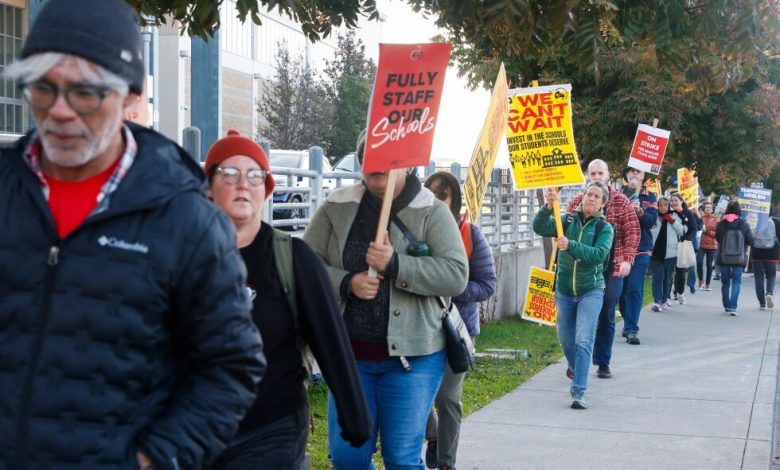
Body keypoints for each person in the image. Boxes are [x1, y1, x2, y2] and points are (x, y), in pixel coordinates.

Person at [0, 1, 266, 468]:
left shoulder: (186, 221)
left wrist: (152, 459)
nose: (59, 111)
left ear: (130, 97)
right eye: (44, 89)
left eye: (85, 92)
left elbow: (229, 368)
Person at [204, 131, 371, 469]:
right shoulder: (182, 257)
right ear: (208, 187)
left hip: (271, 428)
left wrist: (354, 413)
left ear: (266, 189)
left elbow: (330, 338)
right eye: (229, 174)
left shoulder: (292, 257)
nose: (242, 184)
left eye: (254, 176)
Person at [303, 132, 469, 469]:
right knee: (348, 457)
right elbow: (304, 264)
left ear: (406, 162)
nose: (375, 162)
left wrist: (395, 265)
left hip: (414, 360)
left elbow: (455, 274)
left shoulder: (431, 211)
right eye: (368, 153)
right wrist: (347, 282)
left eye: (386, 154)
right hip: (348, 357)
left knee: (401, 458)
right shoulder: (337, 206)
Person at [423, 171, 497, 470]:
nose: (436, 197)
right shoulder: (414, 229)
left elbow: (487, 284)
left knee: (448, 399)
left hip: (457, 330)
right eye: (430, 191)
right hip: (420, 327)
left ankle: (446, 464)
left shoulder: (470, 234)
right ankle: (434, 435)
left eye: (443, 193)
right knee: (418, 396)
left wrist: (454, 288)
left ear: (453, 198)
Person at [534, 181, 614, 409]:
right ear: (582, 196)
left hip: (591, 290)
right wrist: (548, 207)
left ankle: (578, 391)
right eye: (589, 194)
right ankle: (575, 368)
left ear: (603, 203)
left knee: (583, 340)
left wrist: (571, 246)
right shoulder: (566, 220)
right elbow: (539, 227)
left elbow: (598, 255)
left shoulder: (604, 228)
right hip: (565, 291)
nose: (591, 199)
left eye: (596, 196)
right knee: (566, 339)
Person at [566, 159, 639, 379]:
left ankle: (603, 361)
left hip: (612, 267)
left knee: (607, 312)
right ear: (588, 176)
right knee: (575, 317)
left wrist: (627, 259)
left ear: (608, 175)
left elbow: (633, 232)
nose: (597, 177)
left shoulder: (622, 202)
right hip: (582, 268)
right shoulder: (577, 202)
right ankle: (575, 360)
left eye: (600, 173)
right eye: (592, 173)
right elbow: (565, 230)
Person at [618, 166, 658, 345]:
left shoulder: (650, 197)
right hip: (619, 248)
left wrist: (640, 211)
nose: (635, 174)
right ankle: (627, 322)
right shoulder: (617, 193)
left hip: (640, 249)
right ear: (626, 175)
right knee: (620, 291)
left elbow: (651, 221)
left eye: (638, 172)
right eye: (632, 171)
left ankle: (632, 328)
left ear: (643, 177)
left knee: (634, 288)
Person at [715, 201, 754, 315]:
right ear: (738, 210)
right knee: (736, 282)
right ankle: (733, 307)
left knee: (725, 283)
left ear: (727, 209)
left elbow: (718, 239)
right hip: (739, 257)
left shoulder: (721, 224)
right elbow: (751, 240)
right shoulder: (744, 224)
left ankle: (726, 305)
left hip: (724, 257)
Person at [649, 197, 685, 311]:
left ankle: (664, 300)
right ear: (658, 206)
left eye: (665, 205)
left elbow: (682, 231)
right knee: (657, 278)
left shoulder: (674, 216)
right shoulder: (653, 217)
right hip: (655, 253)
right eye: (661, 205)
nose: (663, 207)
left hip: (670, 254)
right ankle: (657, 301)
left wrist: (672, 221)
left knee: (667, 279)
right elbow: (647, 232)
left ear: (668, 206)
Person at [669, 193, 697, 304]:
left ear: (681, 201)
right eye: (672, 201)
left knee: (680, 271)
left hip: (683, 245)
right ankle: (667, 295)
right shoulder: (670, 214)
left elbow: (693, 229)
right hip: (670, 246)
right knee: (669, 271)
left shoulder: (688, 214)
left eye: (676, 200)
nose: (674, 203)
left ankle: (679, 292)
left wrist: (687, 239)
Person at [751, 212, 780, 310]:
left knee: (759, 278)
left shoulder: (754, 220)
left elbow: (750, 236)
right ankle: (769, 293)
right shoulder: (776, 221)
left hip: (756, 254)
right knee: (771, 276)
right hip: (772, 253)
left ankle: (762, 303)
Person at [698, 202, 719, 291]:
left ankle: (707, 284)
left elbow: (717, 234)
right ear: (704, 209)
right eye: (706, 207)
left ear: (712, 209)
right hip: (701, 244)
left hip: (712, 245)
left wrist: (707, 232)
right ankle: (700, 281)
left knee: (709, 265)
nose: (708, 209)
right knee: (699, 262)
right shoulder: (700, 218)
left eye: (710, 207)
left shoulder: (716, 219)